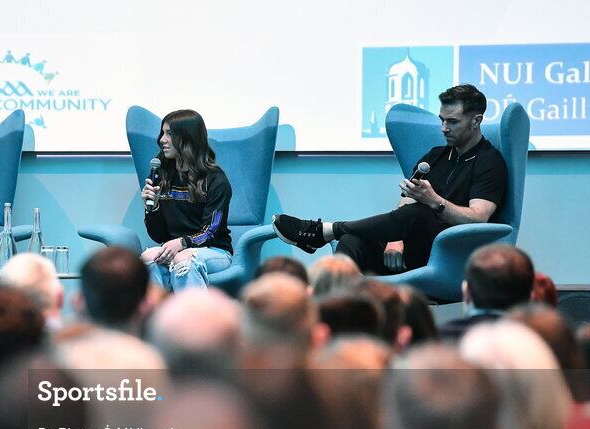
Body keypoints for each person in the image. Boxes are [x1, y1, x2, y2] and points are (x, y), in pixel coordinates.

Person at [273, 84, 507, 275]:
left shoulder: (489, 162)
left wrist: (436, 202)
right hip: (410, 248)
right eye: (442, 120)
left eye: (453, 121)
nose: (444, 128)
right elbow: (406, 202)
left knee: (422, 211)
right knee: (351, 241)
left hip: (451, 252)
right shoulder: (435, 156)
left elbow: (479, 218)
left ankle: (324, 230)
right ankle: (340, 311)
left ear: (476, 121)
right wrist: (395, 240)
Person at [140, 110, 233, 290]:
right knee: (148, 258)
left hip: (214, 250)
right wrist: (152, 208)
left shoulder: (216, 180)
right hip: (174, 249)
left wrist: (182, 243)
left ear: (188, 138)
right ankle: (157, 315)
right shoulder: (162, 176)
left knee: (184, 261)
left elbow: (210, 232)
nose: (162, 140)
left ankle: (194, 317)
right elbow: (158, 236)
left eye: (170, 134)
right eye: (163, 133)